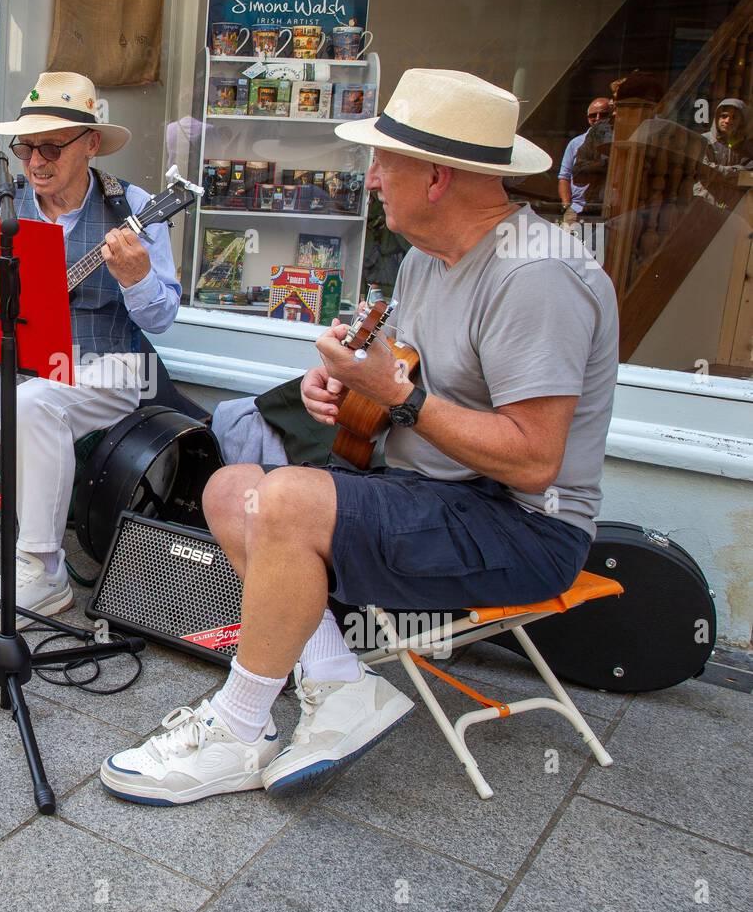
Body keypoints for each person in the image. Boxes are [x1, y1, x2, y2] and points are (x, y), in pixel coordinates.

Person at [101, 68, 619, 806]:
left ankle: (240, 727)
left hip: (521, 528)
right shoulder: (424, 259)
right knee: (229, 489)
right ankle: (340, 684)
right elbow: (405, 379)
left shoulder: (536, 275)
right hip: (429, 493)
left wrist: (395, 397)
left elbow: (535, 462)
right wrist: (345, 393)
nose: (371, 178)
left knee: (282, 501)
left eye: (385, 163)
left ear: (436, 176)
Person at [0, 70, 181, 630]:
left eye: (51, 146)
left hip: (108, 364)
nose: (34, 161)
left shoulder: (137, 208)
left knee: (36, 405)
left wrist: (136, 277)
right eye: (25, 147)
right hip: (18, 359)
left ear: (91, 145)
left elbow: (162, 317)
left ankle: (42, 568)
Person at [557, 96, 612, 223]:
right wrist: (567, 206)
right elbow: (564, 177)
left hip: (606, 210)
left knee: (597, 243)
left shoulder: (617, 142)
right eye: (593, 115)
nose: (597, 118)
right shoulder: (575, 143)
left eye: (603, 114)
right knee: (569, 242)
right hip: (577, 208)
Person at [696, 97, 753, 209]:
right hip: (704, 206)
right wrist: (737, 172)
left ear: (741, 122)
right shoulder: (703, 140)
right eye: (724, 116)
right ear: (717, 117)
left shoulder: (748, 148)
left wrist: (718, 172)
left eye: (734, 117)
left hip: (733, 212)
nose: (727, 121)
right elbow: (705, 170)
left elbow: (749, 178)